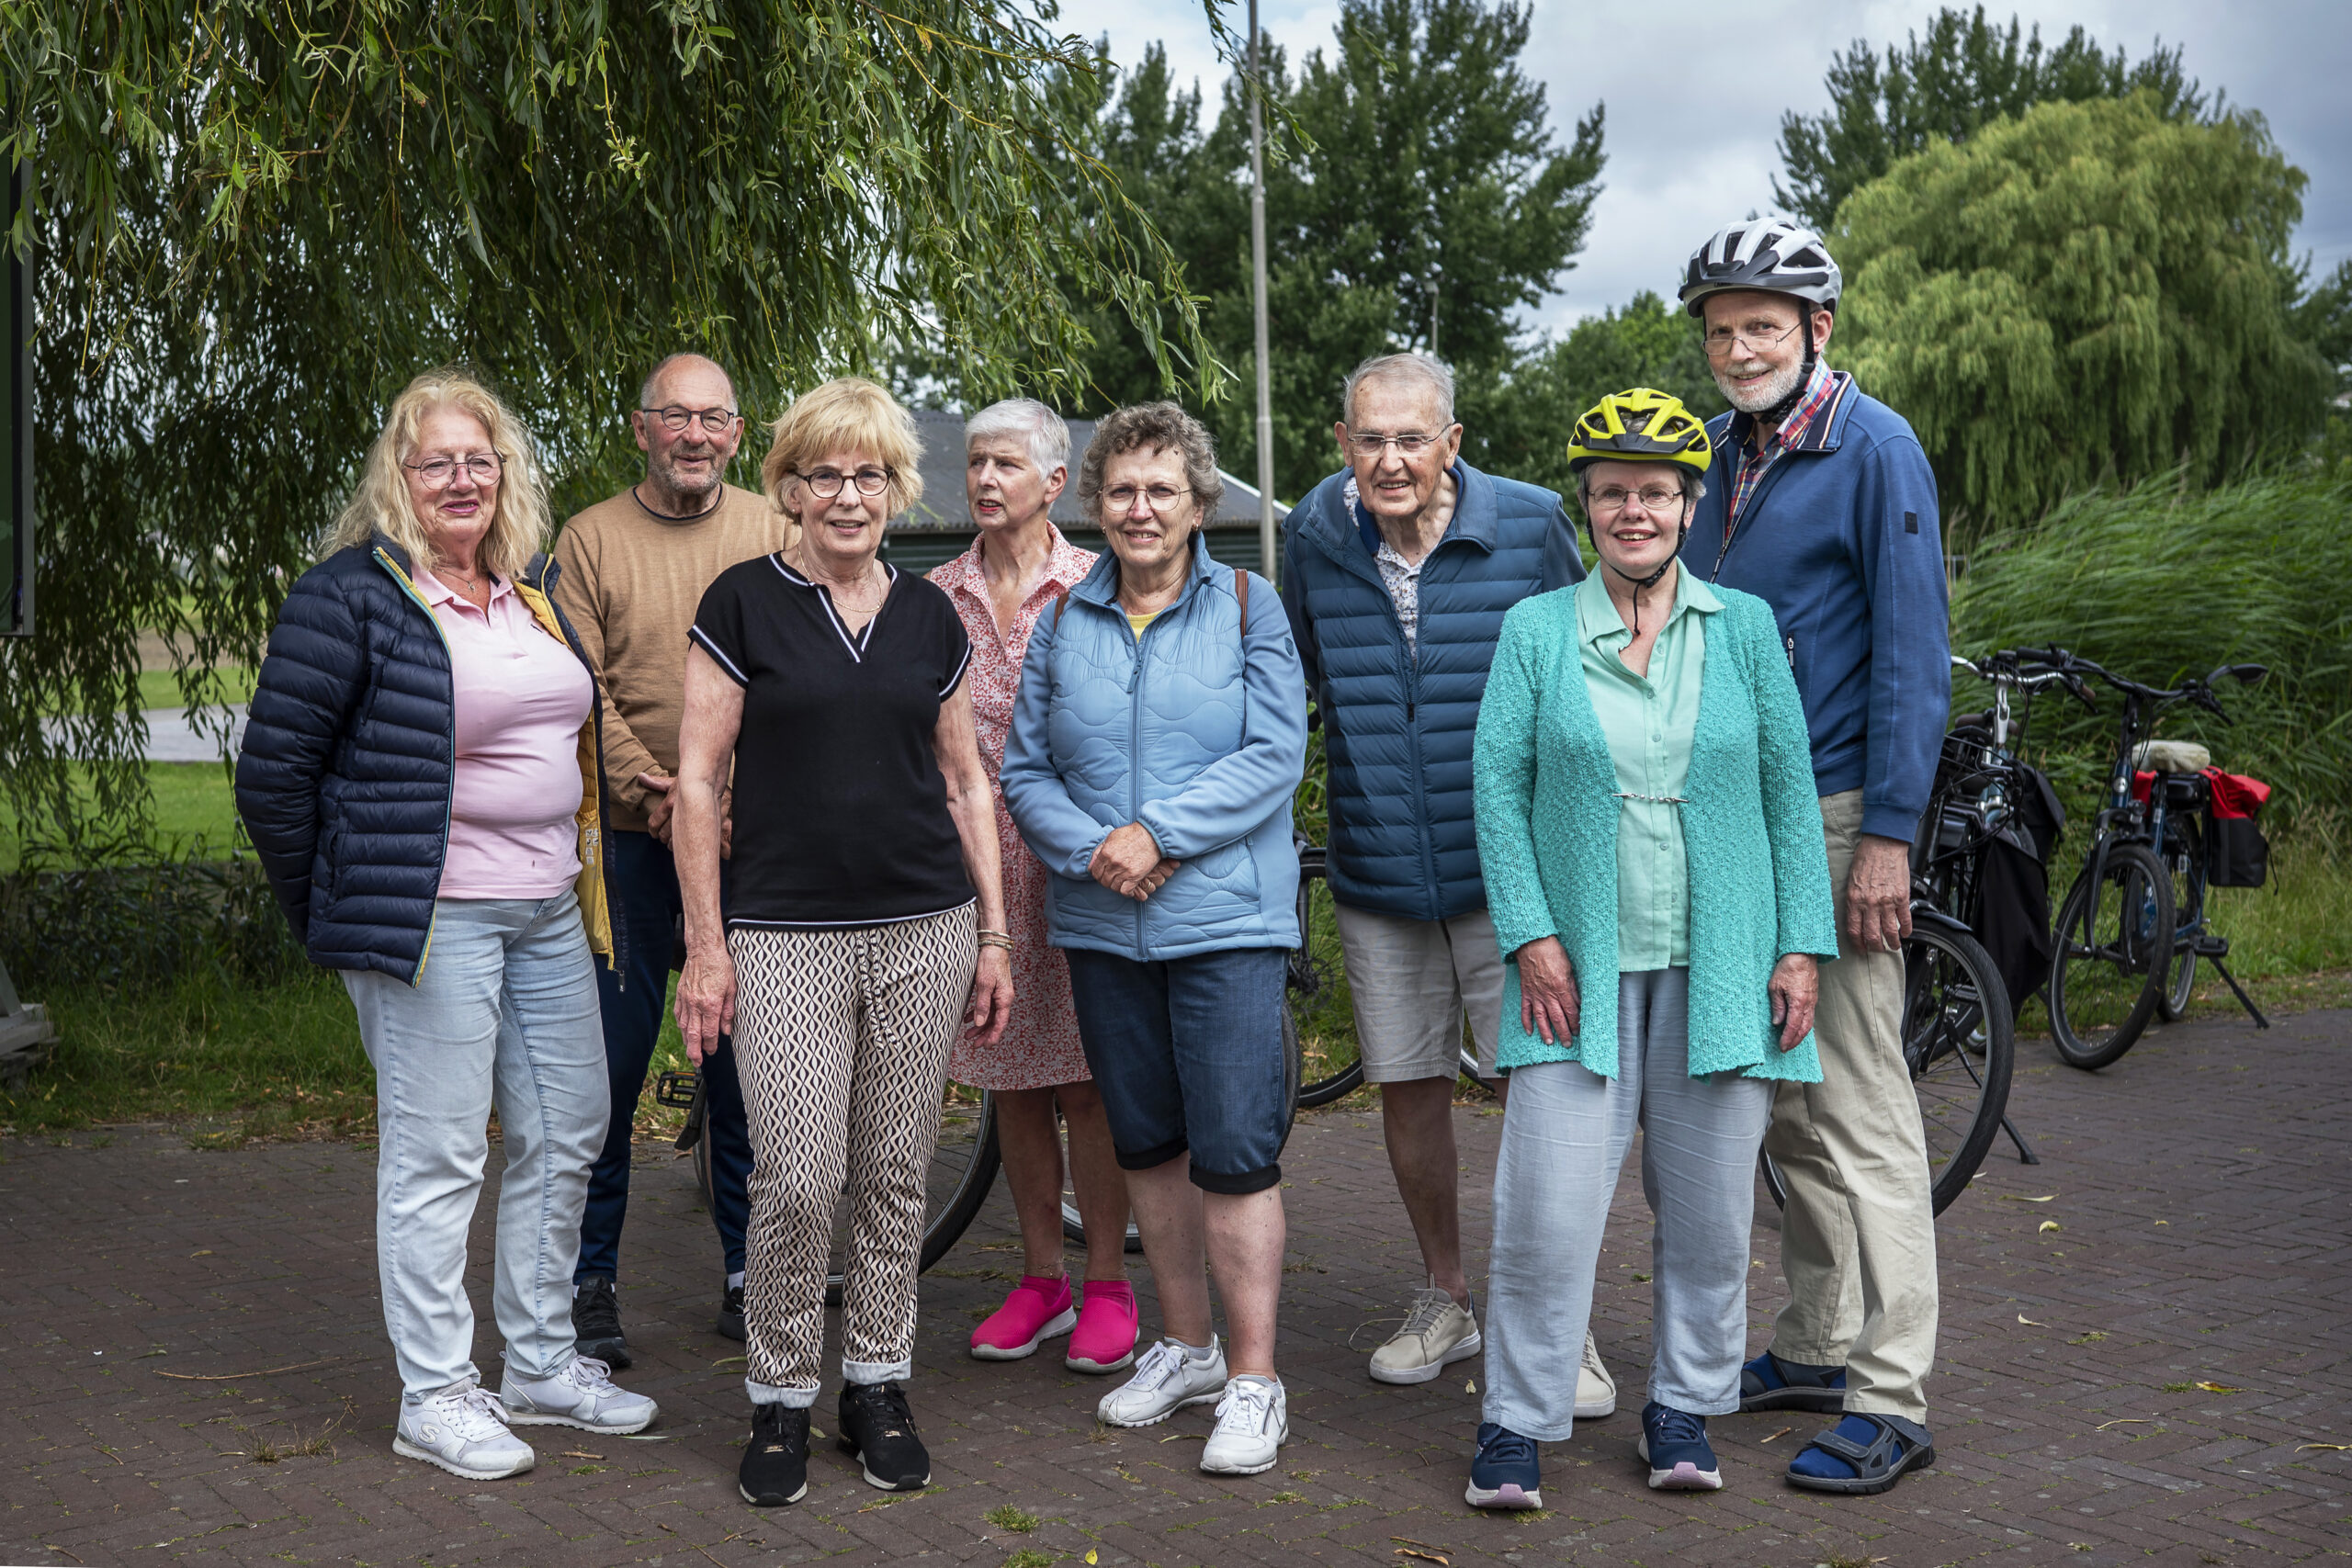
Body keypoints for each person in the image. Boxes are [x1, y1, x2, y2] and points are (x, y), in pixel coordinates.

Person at [235, 367, 658, 1482]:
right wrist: (336, 908)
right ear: (399, 477)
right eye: (438, 462)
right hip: (431, 920)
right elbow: (274, 777)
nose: (462, 478)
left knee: (571, 1125)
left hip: (546, 907)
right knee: (437, 1157)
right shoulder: (352, 597)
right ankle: (436, 1394)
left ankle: (539, 1363)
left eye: (481, 459)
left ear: (504, 475)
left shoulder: (530, 592)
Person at [1467, 389, 1839, 1508]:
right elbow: (1497, 784)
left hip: (1720, 963)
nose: (1635, 509)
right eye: (1613, 492)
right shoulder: (1536, 630)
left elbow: (1787, 791)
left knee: (1714, 1210)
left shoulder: (1743, 629)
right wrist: (1530, 933)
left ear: (1690, 505)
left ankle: (1683, 1408)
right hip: (1570, 970)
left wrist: (1800, 948)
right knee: (1545, 1207)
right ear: (1586, 507)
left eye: (1656, 492)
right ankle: (1514, 1421)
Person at [670, 377, 1015, 1509]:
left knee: (894, 1178)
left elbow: (966, 783)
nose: (848, 495)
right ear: (789, 487)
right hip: (781, 937)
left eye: (869, 474)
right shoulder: (741, 604)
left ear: (894, 489)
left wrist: (997, 936)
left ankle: (876, 1384)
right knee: (799, 1180)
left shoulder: (927, 615)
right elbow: (698, 781)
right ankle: (778, 1395)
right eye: (825, 474)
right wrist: (706, 948)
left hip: (926, 930)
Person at [1679, 216, 1951, 1495]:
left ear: (1817, 330)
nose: (1739, 348)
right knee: (1787, 1099)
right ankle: (1817, 1342)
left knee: (1860, 1106)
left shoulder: (1871, 447)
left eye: (1763, 327)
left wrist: (1889, 834)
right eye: (1723, 328)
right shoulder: (1722, 458)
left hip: (1838, 812)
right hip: (1734, 818)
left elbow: (1912, 654)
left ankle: (1893, 1389)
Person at [1279, 351, 1603, 1399]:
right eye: (1368, 438)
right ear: (1342, 445)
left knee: (1542, 1095)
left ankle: (1556, 1321)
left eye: (1411, 438)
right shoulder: (1313, 537)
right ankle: (1445, 1298)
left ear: (1450, 443)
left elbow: (1588, 677)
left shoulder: (1530, 522)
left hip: (1513, 883)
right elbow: (1298, 688)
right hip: (1379, 872)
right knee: (1407, 1090)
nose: (1390, 459)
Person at [1001, 402, 1309, 1478]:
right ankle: (1184, 1348)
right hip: (1103, 922)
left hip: (1223, 921)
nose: (1140, 510)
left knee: (1233, 1150)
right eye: (1121, 491)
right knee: (1146, 1149)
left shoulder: (1244, 604)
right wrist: (1099, 851)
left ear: (1198, 504)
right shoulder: (1061, 619)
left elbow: (1276, 752)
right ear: (1095, 503)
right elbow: (1024, 771)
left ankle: (1256, 1380)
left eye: (1160, 491)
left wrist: (1157, 835)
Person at [552, 352, 789, 1363]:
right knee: (603, 1074)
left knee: (752, 1071)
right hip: (630, 845)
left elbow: (795, 671)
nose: (694, 435)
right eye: (673, 417)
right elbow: (575, 685)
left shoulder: (776, 534)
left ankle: (750, 1274)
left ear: (738, 434)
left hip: (758, 842)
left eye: (714, 418)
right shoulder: (589, 539)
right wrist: (661, 792)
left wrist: (731, 799)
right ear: (641, 428)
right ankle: (590, 1283)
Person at [927, 400, 1139, 1374]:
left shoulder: (1101, 586)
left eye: (1005, 463)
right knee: (1009, 1084)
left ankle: (1109, 1283)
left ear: (1055, 483)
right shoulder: (931, 598)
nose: (983, 480)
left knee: (1090, 1086)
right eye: (975, 462)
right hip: (979, 875)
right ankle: (1040, 1278)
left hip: (1082, 867)